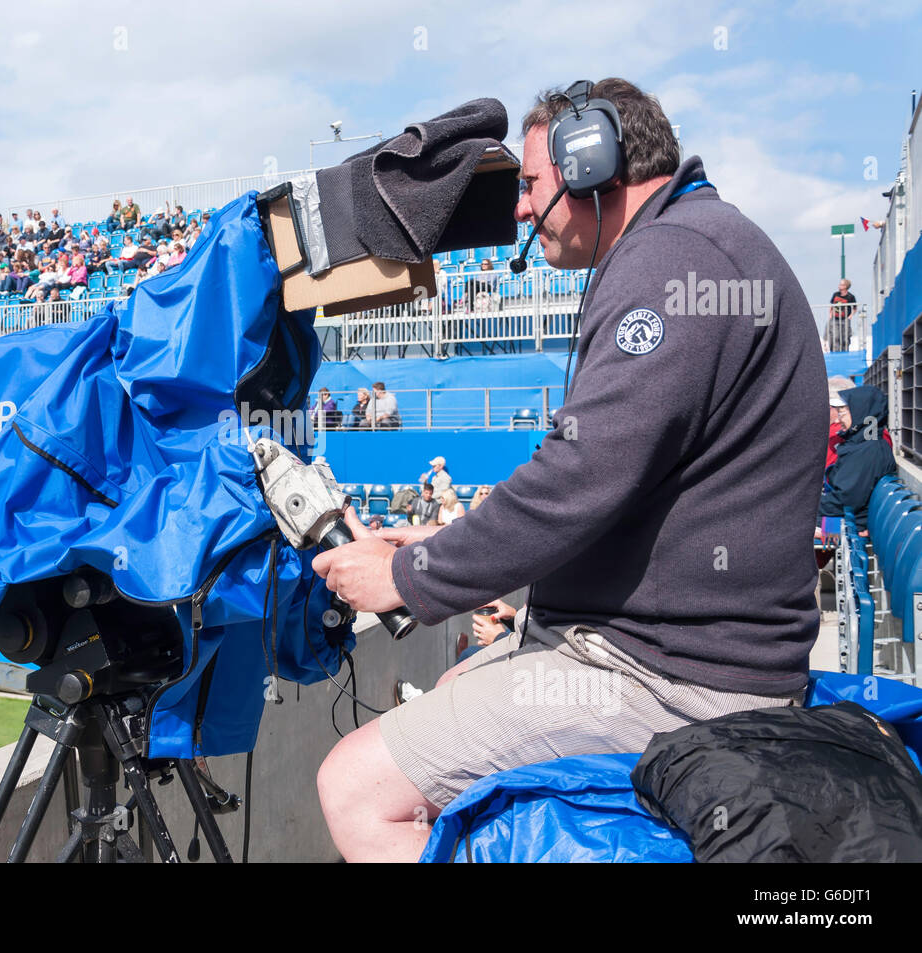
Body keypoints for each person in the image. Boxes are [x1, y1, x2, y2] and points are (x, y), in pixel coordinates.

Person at [310, 78, 827, 862]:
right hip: (678, 652)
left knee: (354, 788)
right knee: (455, 690)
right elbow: (620, 484)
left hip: (680, 679)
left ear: (592, 163)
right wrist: (446, 534)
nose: (519, 209)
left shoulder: (674, 260)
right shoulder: (687, 243)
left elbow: (581, 478)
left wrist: (408, 577)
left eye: (530, 184)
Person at [820, 385, 896, 535]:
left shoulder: (867, 450)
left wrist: (804, 506)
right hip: (848, 517)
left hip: (849, 523)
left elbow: (844, 501)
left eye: (845, 411)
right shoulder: (865, 443)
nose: (839, 417)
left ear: (861, 412)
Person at [828, 279, 855, 351]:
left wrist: (850, 316)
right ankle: (836, 352)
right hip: (835, 319)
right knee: (836, 337)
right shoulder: (835, 294)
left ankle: (845, 351)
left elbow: (854, 307)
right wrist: (830, 314)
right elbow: (832, 305)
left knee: (845, 338)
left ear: (845, 286)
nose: (839, 286)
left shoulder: (850, 296)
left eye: (841, 284)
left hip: (845, 319)